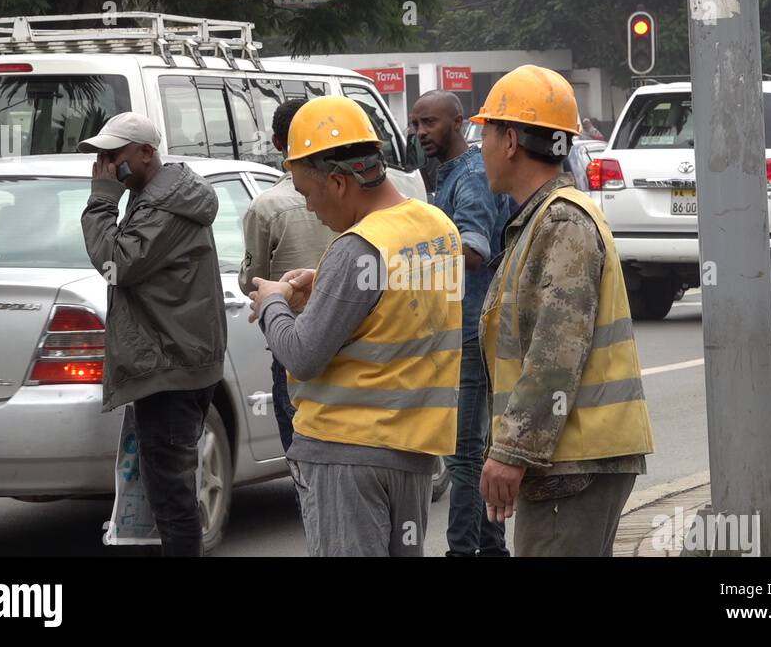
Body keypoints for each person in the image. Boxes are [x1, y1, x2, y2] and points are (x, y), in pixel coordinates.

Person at [248, 96, 462, 557]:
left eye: (308, 193)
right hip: (414, 452)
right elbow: (395, 305)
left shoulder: (357, 247)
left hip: (346, 452)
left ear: (340, 182)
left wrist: (271, 304)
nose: (310, 208)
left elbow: (303, 355)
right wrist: (324, 283)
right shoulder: (436, 228)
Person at [472, 66, 655, 557]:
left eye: (485, 132)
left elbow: (556, 350)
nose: (480, 146)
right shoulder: (541, 220)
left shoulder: (562, 222)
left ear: (510, 140)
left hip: (573, 459)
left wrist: (511, 451)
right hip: (567, 457)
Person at [80, 112, 227, 557]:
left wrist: (101, 202)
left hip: (170, 366)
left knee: (173, 498)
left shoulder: (163, 206)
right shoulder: (156, 197)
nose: (106, 167)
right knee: (170, 493)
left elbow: (116, 265)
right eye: (101, 157)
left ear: (146, 153)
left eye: (114, 156)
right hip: (175, 361)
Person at [410, 90, 512, 557]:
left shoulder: (469, 176)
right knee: (476, 450)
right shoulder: (450, 174)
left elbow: (473, 251)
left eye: (429, 122)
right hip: (462, 327)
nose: (420, 133)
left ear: (457, 122)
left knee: (465, 454)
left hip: (472, 330)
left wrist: (407, 259)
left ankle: (462, 551)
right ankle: (491, 549)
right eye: (415, 124)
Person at [240, 99, 337, 454]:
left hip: (293, 346)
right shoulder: (358, 197)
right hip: (351, 347)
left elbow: (253, 281)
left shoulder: (266, 206)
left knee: (302, 458)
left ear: (277, 143)